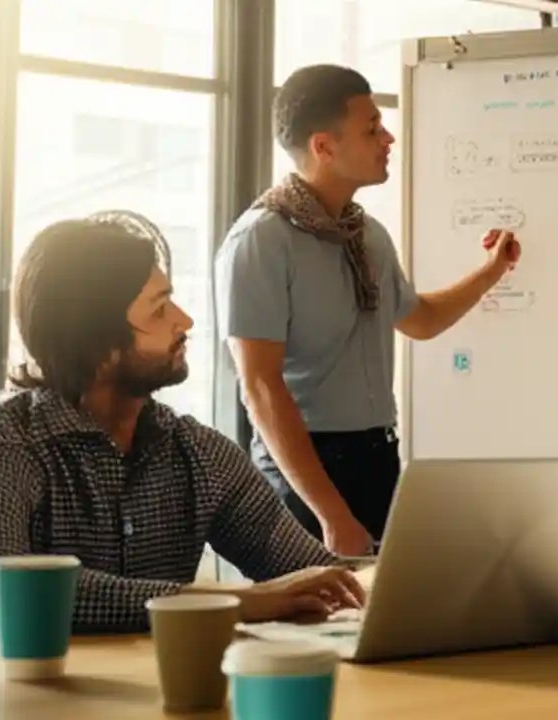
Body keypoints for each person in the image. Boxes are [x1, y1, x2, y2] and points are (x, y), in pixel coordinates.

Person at [0, 212, 364, 636]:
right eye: (159, 310)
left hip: (174, 694)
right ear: (98, 344)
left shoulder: (198, 452)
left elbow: (313, 573)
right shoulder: (5, 445)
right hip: (40, 699)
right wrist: (230, 603)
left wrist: (391, 583)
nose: (184, 320)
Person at [216, 65, 521, 556]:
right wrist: (332, 515)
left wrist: (492, 270)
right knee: (314, 626)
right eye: (372, 128)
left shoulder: (367, 235)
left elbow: (419, 319)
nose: (389, 137)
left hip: (378, 455)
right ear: (323, 147)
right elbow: (260, 388)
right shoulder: (261, 241)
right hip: (307, 472)